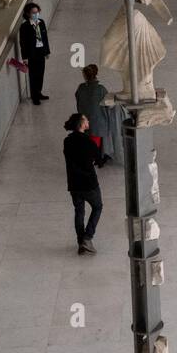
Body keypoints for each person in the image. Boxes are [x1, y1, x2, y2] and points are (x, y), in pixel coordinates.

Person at [63, 113, 102, 255]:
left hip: (74, 184)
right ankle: (87, 237)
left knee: (79, 211)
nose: (88, 121)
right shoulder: (89, 142)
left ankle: (81, 242)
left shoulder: (67, 141)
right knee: (97, 207)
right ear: (81, 124)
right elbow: (98, 158)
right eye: (86, 119)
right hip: (89, 183)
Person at [75, 64, 113, 167]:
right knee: (96, 141)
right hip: (98, 122)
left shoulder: (81, 88)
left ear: (85, 76)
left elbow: (78, 101)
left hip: (84, 120)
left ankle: (94, 157)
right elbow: (108, 104)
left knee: (88, 139)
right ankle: (98, 159)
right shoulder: (101, 89)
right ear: (96, 74)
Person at [19, 2, 51, 104]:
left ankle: (39, 92)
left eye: (37, 12)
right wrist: (25, 57)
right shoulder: (25, 26)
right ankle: (35, 96)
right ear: (28, 14)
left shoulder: (41, 22)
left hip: (41, 51)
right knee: (33, 75)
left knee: (41, 74)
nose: (36, 14)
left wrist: (47, 51)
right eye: (33, 12)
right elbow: (23, 43)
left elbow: (45, 37)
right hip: (32, 54)